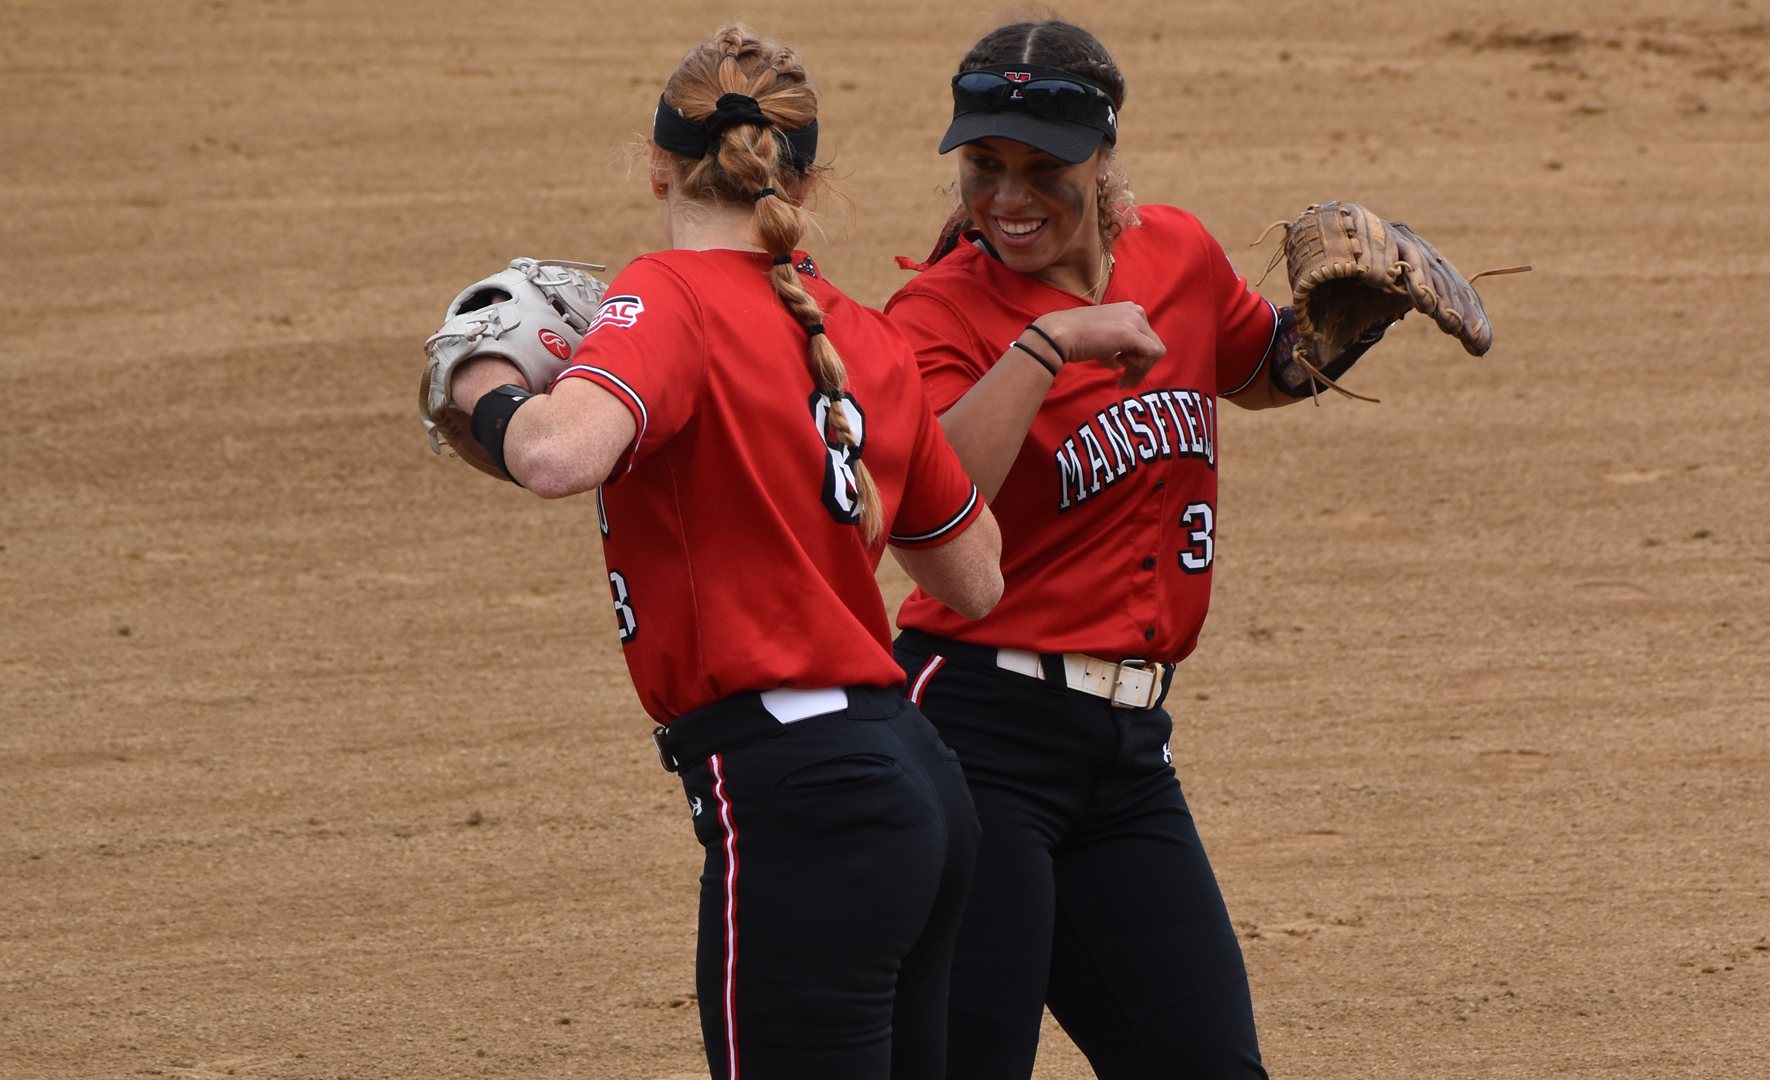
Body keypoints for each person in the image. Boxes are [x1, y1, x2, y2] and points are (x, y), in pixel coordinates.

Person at [446, 26, 1003, 1080]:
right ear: (807, 178)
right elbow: (975, 577)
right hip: (922, 791)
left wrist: (482, 384)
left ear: (655, 166)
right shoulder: (858, 335)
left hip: (805, 803)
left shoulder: (665, 295)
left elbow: (559, 455)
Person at [882, 20, 1393, 1080]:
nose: (1008, 198)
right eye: (984, 165)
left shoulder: (1179, 253)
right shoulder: (936, 311)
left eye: (1043, 170)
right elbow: (934, 501)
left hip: (1127, 758)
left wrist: (1336, 334)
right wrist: (1049, 342)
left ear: (1103, 158)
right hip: (976, 738)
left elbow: (1255, 368)